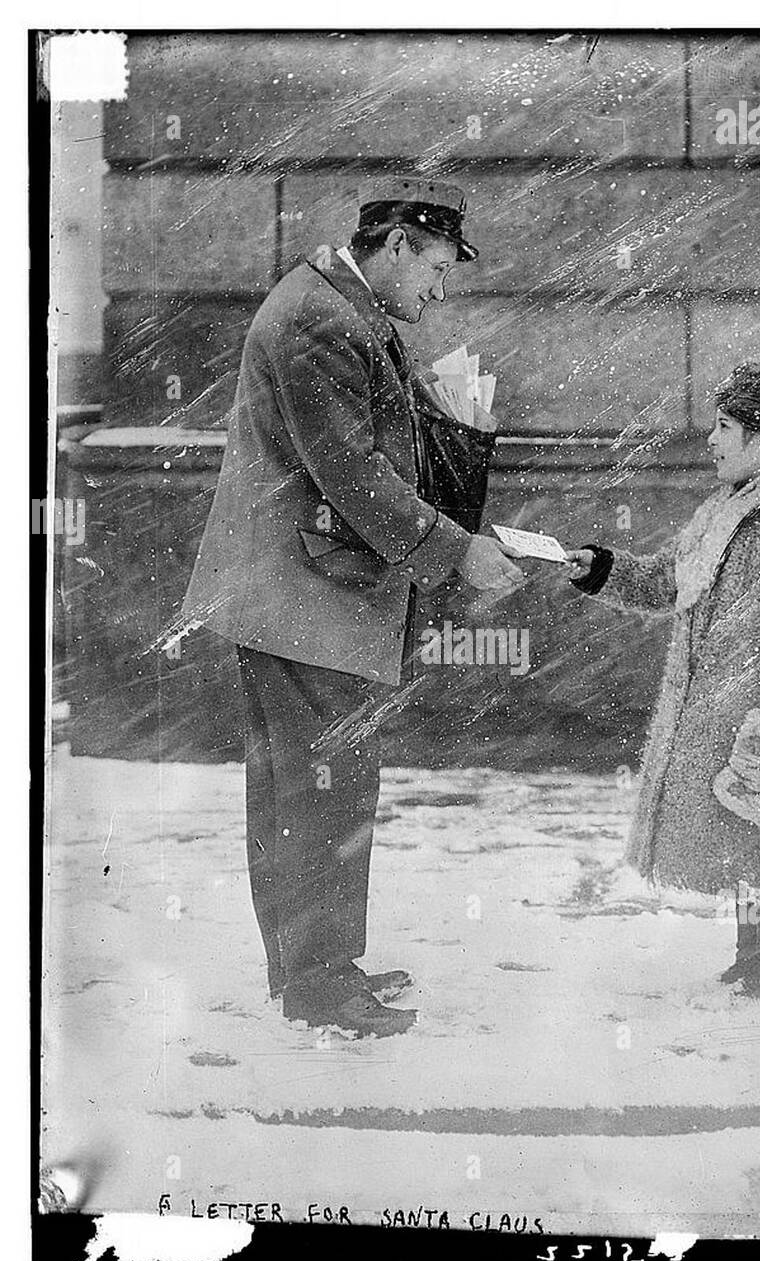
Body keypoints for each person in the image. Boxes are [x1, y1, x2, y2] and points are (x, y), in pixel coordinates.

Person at [181, 179, 522, 1037]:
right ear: (399, 244)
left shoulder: (334, 304)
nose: (439, 291)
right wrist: (457, 549)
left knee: (314, 787)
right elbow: (352, 474)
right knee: (320, 790)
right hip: (304, 599)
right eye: (436, 268)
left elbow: (363, 450)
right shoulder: (321, 319)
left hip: (307, 594)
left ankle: (317, 967)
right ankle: (321, 986)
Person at [567, 362, 760, 998]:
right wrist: (602, 569)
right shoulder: (729, 513)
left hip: (756, 716)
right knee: (744, 834)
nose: (713, 442)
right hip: (721, 710)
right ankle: (753, 959)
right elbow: (671, 581)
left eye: (725, 428)